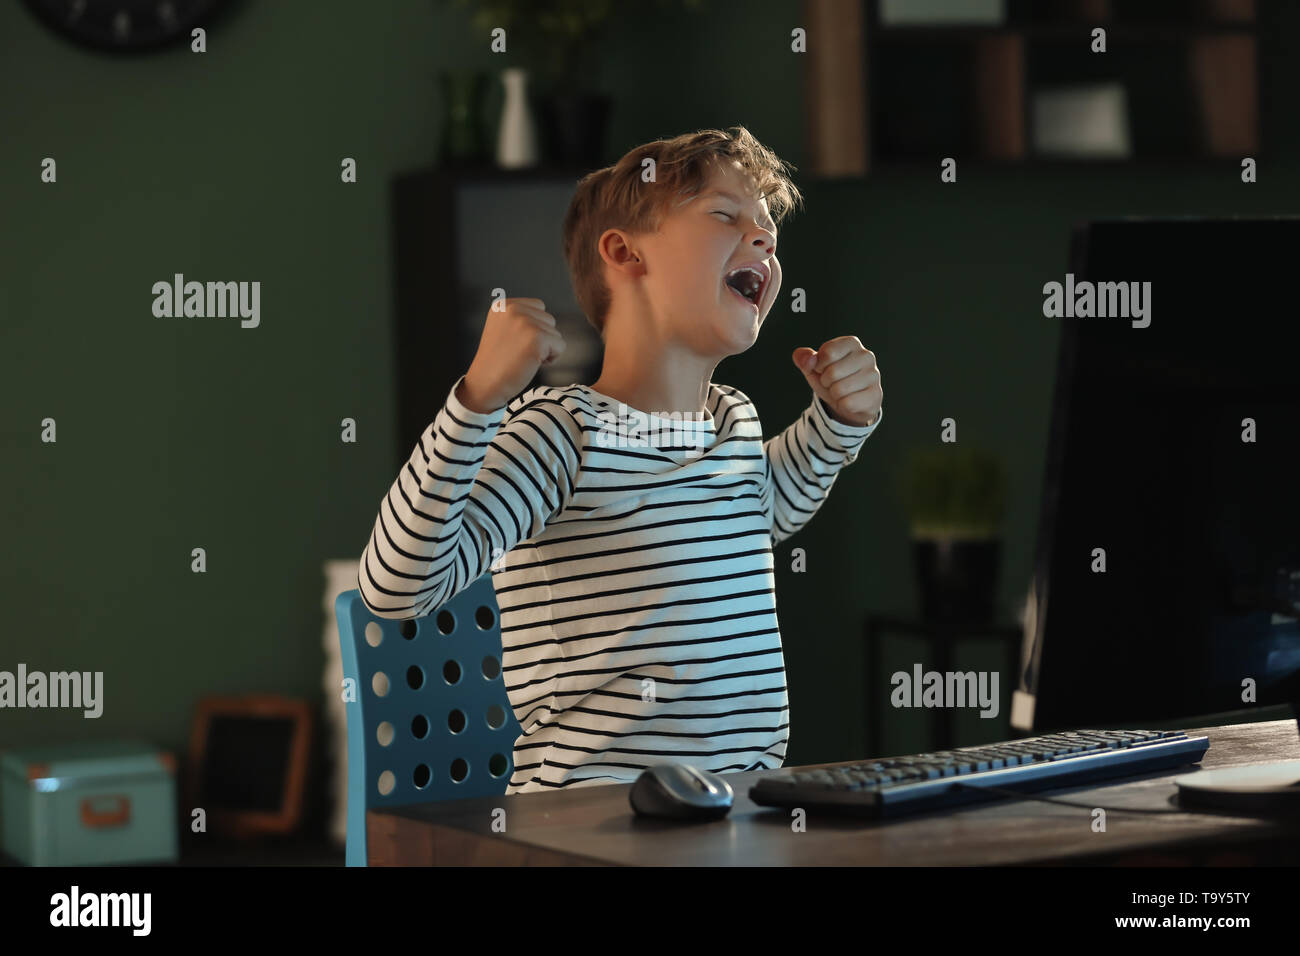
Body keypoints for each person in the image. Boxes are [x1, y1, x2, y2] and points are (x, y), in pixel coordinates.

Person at [358, 126, 884, 794]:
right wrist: (476, 402)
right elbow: (396, 588)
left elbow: (764, 507)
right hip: (597, 822)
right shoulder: (561, 435)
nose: (764, 237)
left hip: (738, 808)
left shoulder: (732, 422)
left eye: (767, 224)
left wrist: (838, 423)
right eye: (726, 215)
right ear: (624, 253)